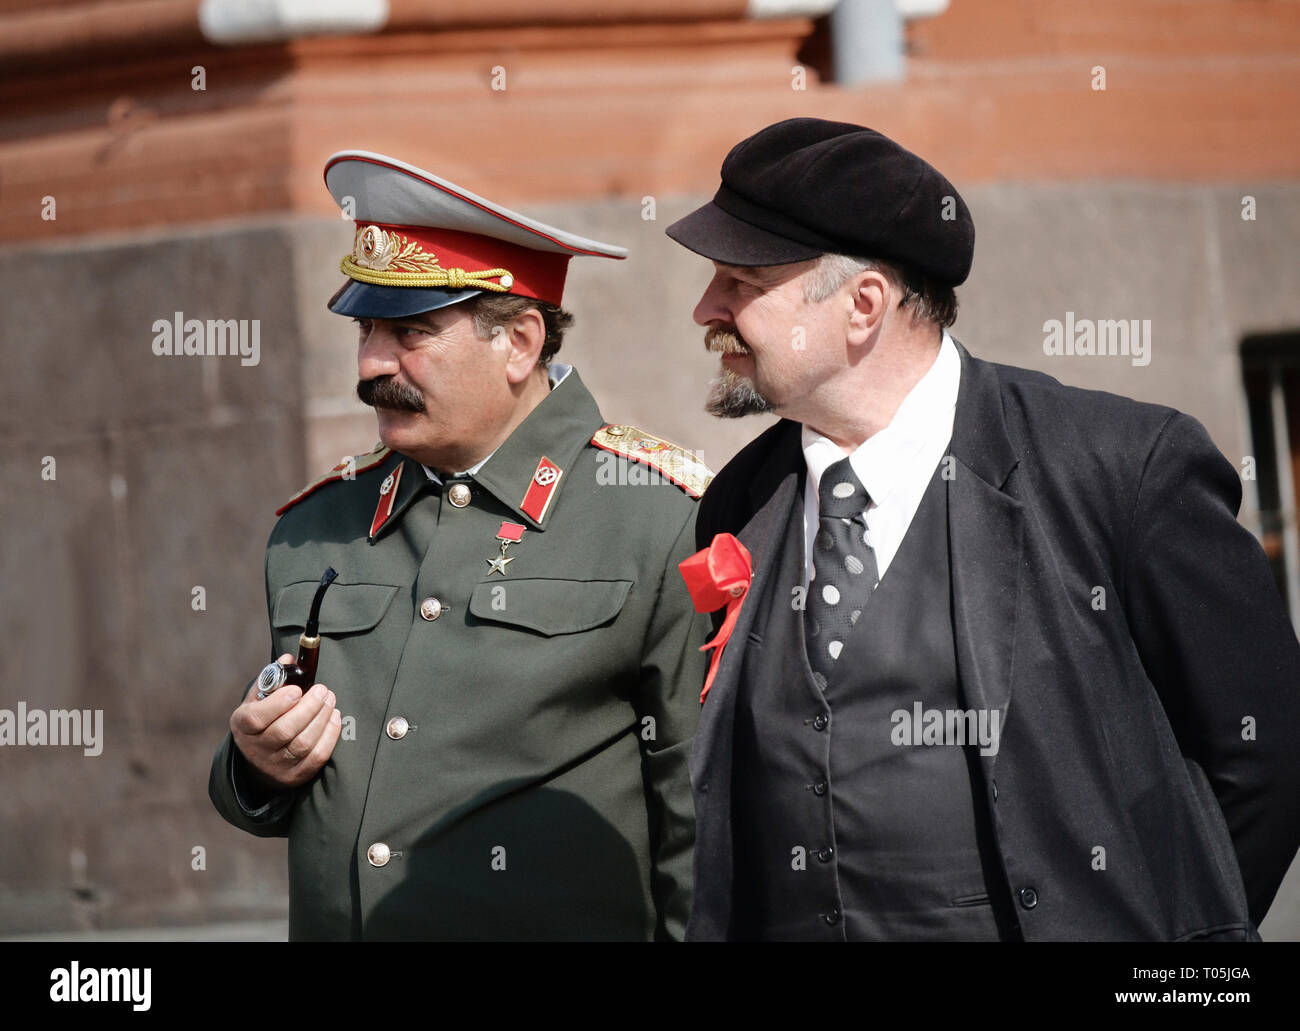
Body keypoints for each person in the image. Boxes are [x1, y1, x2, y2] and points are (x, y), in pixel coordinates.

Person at [666, 117, 1300, 941]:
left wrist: (1164, 938)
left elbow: (1268, 750)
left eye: (740, 282)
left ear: (863, 306)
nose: (704, 308)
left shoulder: (1118, 467)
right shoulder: (739, 501)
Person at [209, 150, 712, 940]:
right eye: (368, 328)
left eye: (410, 332)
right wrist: (255, 765)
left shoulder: (655, 518)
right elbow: (307, 778)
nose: (373, 365)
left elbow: (701, 814)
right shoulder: (318, 526)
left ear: (518, 341)